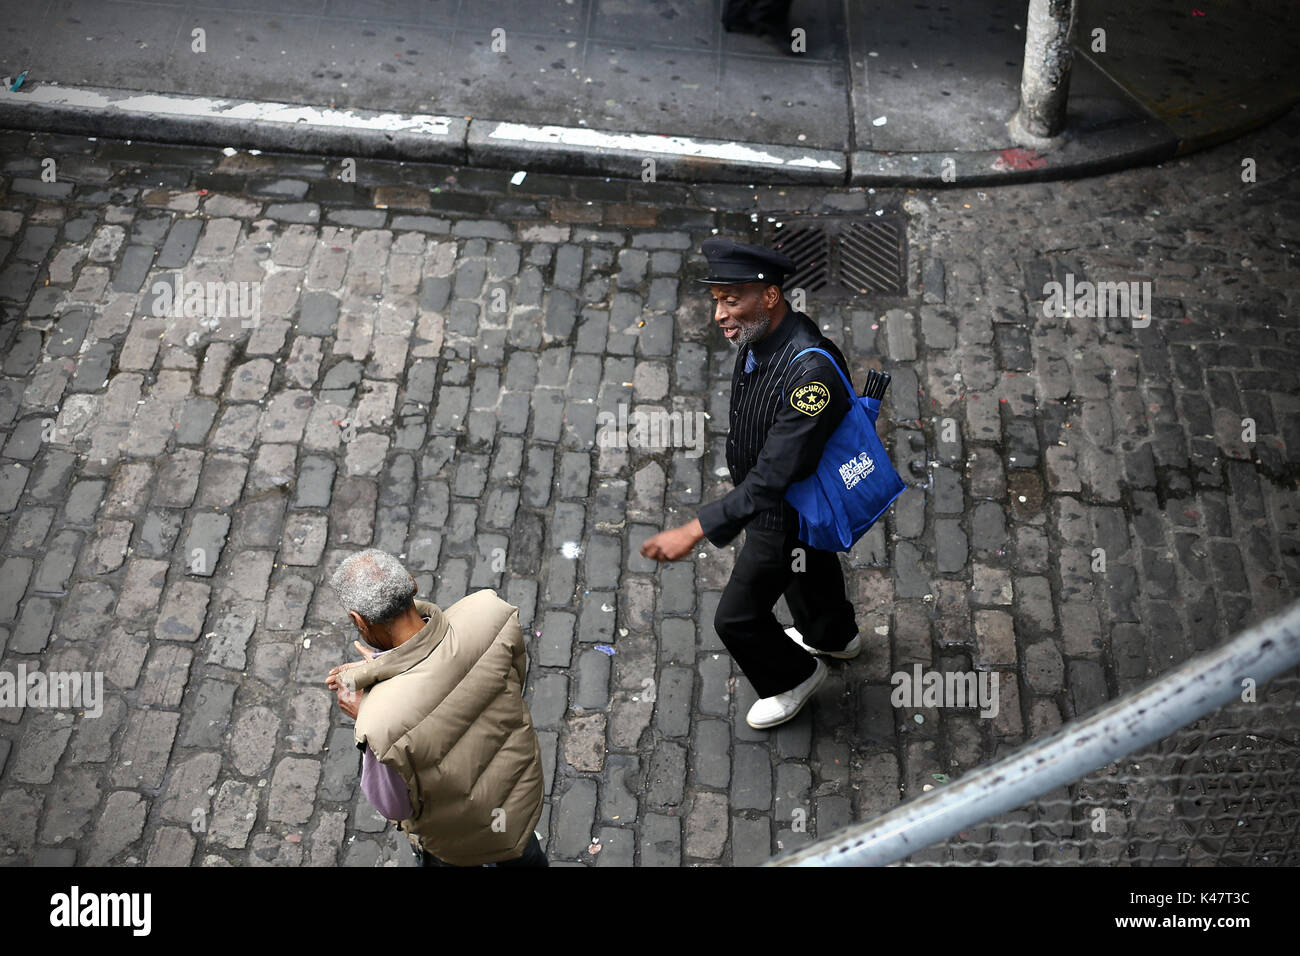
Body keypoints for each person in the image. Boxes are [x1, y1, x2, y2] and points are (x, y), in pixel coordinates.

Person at [641, 238, 861, 730]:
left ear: (770, 296)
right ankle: (833, 636)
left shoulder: (810, 375)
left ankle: (794, 677)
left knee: (736, 619)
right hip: (795, 507)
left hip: (784, 510)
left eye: (732, 299)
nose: (719, 313)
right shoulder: (763, 336)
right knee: (810, 566)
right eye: (717, 299)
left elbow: (775, 477)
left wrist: (695, 529)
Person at [325, 548, 547, 866]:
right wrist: (382, 670)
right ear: (413, 585)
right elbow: (512, 681)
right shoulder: (490, 613)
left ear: (358, 620)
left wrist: (368, 710)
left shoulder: (379, 723)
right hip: (518, 794)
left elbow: (396, 807)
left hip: (457, 836)